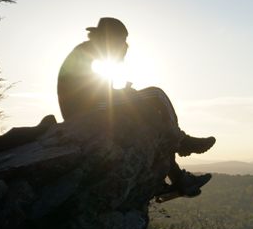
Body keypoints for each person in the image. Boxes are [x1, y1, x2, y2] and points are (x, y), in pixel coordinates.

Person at [57, 17, 214, 197]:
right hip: (86, 110)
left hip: (88, 106)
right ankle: (181, 141)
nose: (125, 45)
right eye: (122, 40)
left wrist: (123, 94)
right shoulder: (84, 53)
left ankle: (178, 177)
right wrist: (126, 94)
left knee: (151, 119)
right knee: (156, 95)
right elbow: (91, 93)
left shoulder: (87, 52)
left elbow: (94, 89)